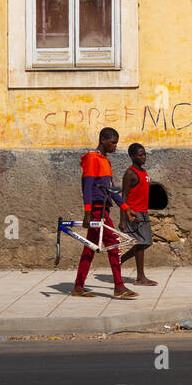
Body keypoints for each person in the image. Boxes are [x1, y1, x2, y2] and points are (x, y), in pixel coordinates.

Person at [72, 127, 137, 300]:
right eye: (113, 142)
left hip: (102, 210)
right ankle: (119, 286)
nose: (115, 146)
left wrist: (126, 208)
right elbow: (87, 187)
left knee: (90, 248)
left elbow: (111, 190)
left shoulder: (104, 161)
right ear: (103, 140)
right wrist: (87, 213)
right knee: (113, 245)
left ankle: (78, 286)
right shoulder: (93, 159)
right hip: (97, 212)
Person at [119, 143, 157, 286]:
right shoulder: (130, 173)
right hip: (134, 213)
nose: (144, 157)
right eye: (140, 155)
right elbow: (124, 197)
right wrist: (123, 220)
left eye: (144, 154)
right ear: (132, 156)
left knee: (146, 242)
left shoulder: (143, 171)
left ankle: (120, 259)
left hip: (143, 212)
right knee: (141, 243)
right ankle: (140, 277)